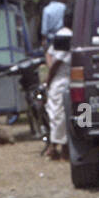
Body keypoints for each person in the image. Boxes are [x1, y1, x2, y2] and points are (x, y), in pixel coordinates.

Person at [44, 26, 71, 160]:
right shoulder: (65, 35)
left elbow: (56, 62)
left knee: (59, 114)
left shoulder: (66, 35)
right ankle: (57, 146)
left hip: (65, 80)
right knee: (57, 114)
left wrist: (49, 78)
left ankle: (62, 147)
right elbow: (50, 55)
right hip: (63, 79)